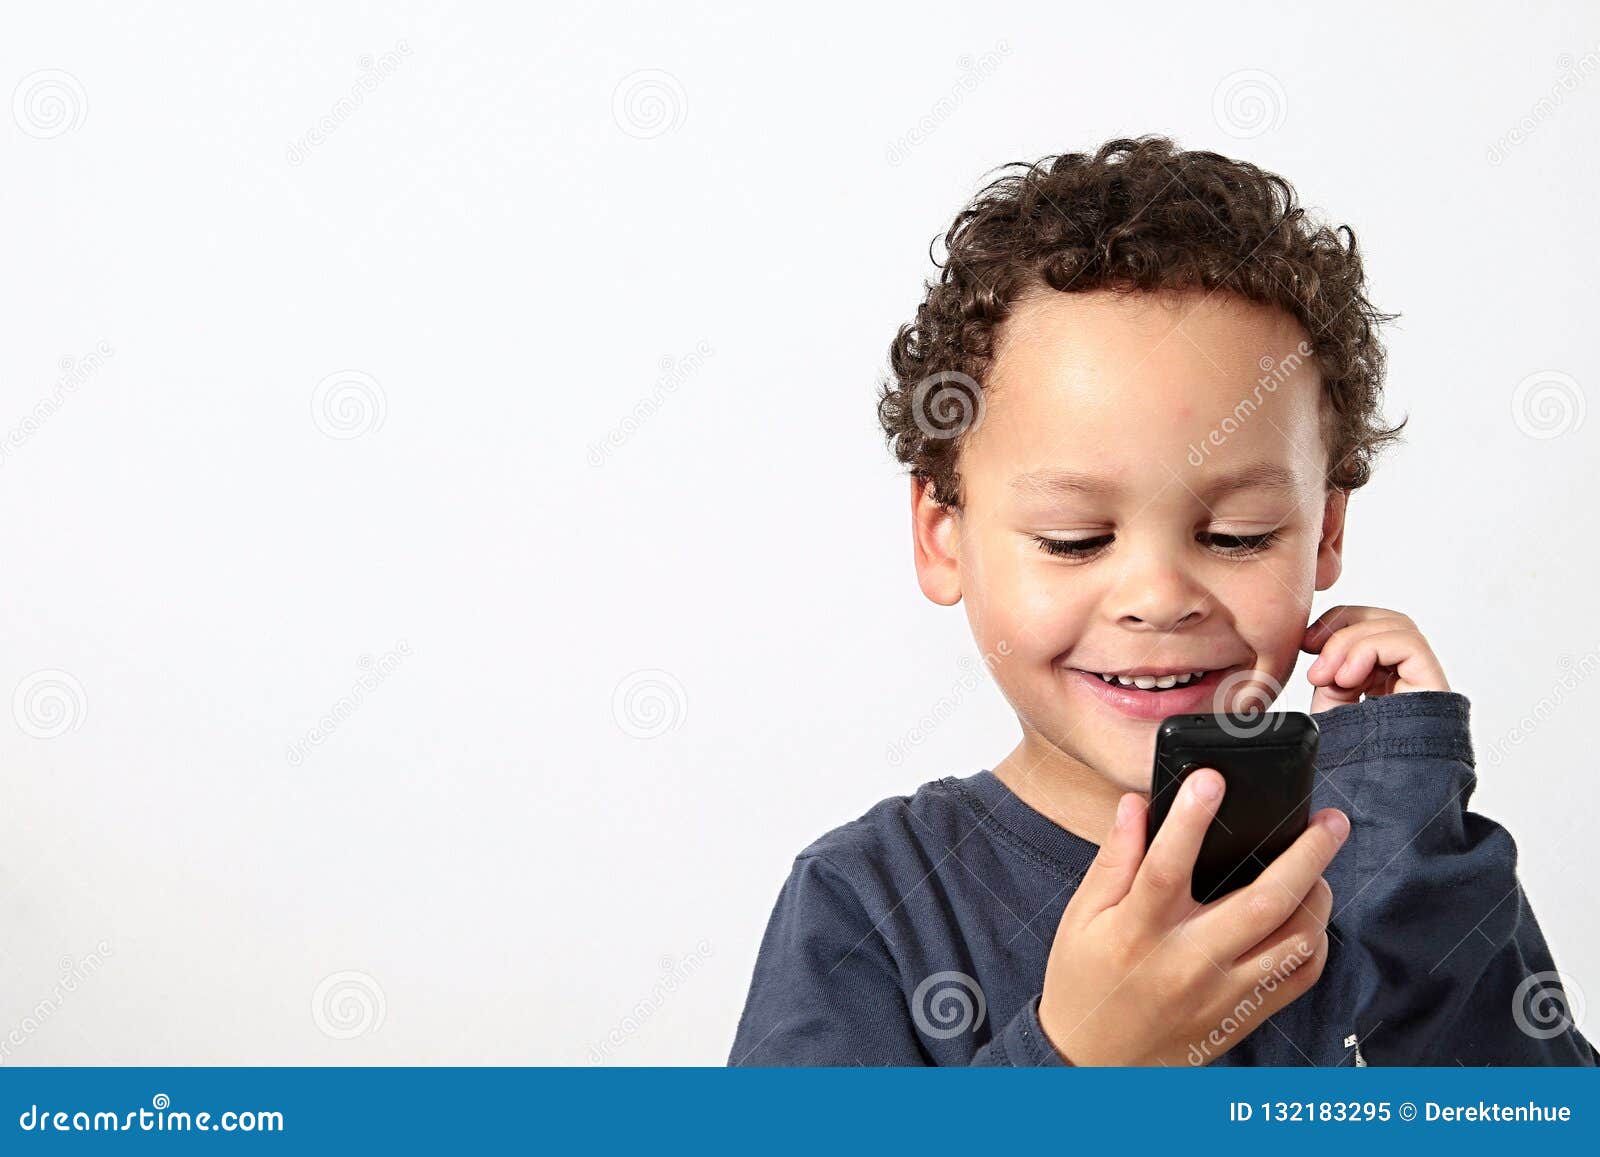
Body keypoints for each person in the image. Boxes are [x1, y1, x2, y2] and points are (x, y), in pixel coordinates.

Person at [728, 136, 1594, 1066]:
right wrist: (1084, 1062)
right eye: (1074, 539)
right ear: (944, 535)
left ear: (1326, 530)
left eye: (1238, 535)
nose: (1157, 597)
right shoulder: (871, 905)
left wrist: (1406, 819)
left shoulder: (1390, 866)